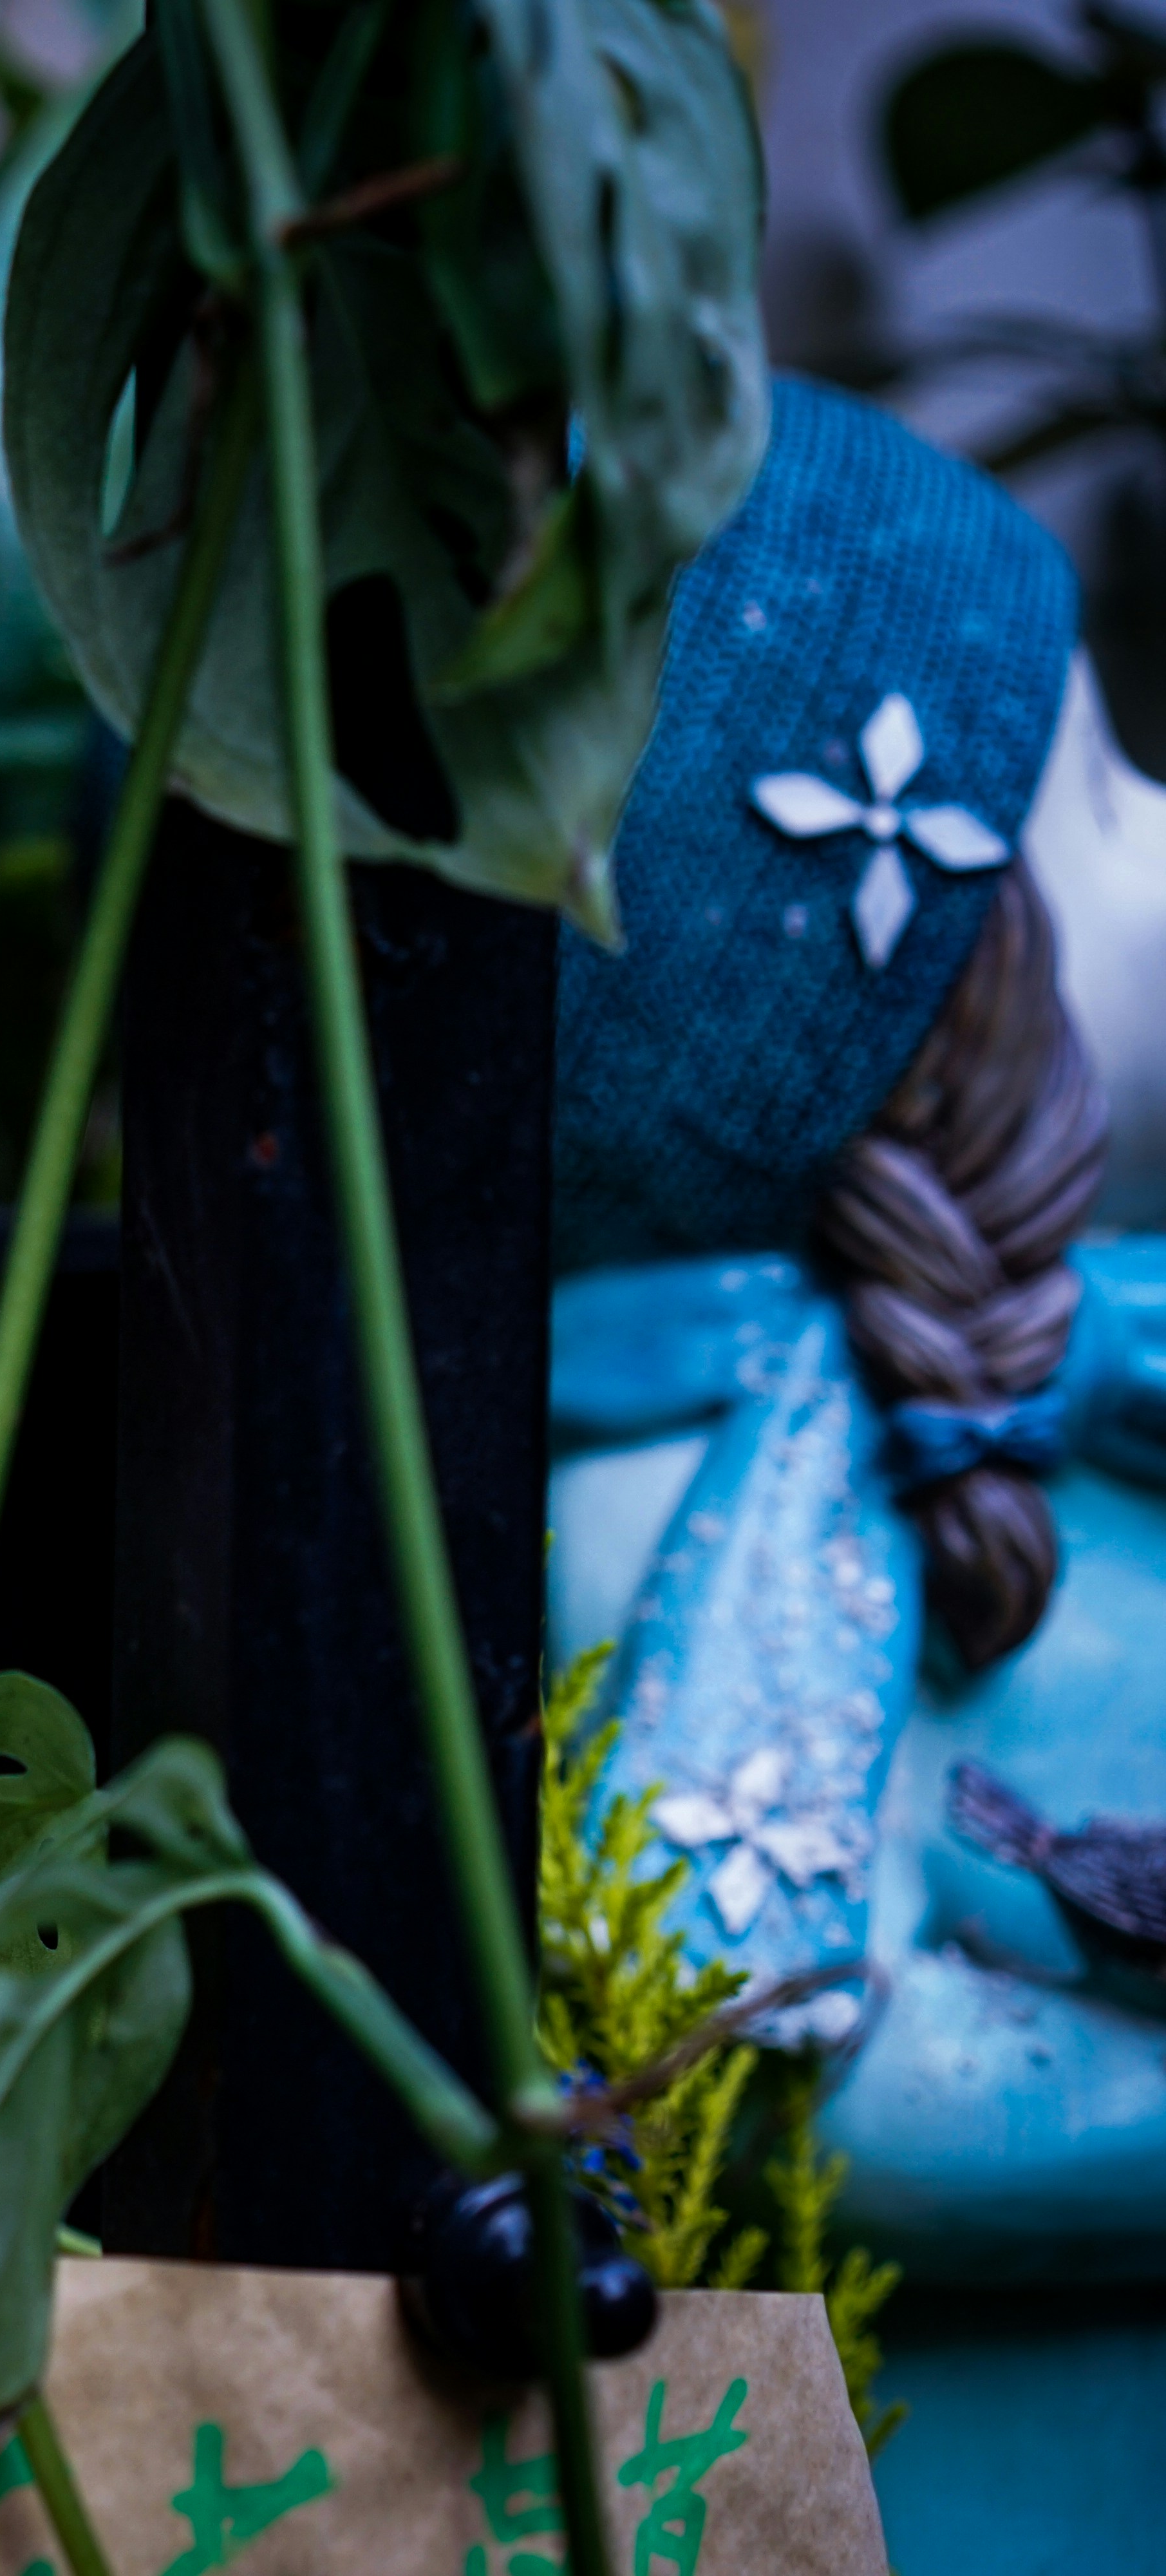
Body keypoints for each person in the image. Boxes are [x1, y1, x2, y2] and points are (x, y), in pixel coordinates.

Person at [549, 376, 1166, 2297]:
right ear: (938, 995)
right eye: (1099, 791)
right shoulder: (682, 1499)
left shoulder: (1090, 1382)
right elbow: (804, 2078)